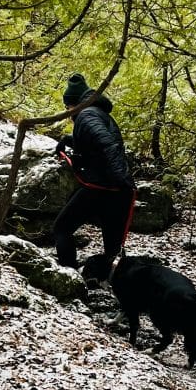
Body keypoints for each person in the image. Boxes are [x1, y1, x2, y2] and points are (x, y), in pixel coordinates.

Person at [52, 73, 136, 268]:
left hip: (102, 187)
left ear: (74, 104)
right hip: (116, 191)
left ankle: (69, 275)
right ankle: (118, 282)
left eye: (67, 107)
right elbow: (96, 143)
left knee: (62, 228)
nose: (67, 113)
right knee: (113, 247)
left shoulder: (86, 115)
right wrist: (68, 140)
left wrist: (120, 177)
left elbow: (106, 143)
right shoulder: (98, 113)